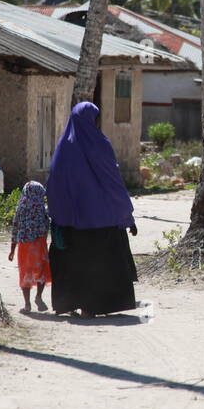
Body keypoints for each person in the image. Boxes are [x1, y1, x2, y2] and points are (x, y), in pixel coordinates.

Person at [45, 102, 138, 317]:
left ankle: (72, 303)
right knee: (101, 264)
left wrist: (59, 214)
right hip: (102, 220)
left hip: (71, 221)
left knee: (75, 262)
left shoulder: (63, 148)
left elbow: (54, 184)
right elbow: (112, 180)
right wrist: (126, 215)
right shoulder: (99, 144)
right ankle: (94, 306)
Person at [8, 180, 51, 313]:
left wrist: (12, 250)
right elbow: (47, 226)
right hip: (39, 244)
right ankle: (38, 296)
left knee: (25, 272)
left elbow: (15, 228)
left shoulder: (21, 207)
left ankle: (27, 304)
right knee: (41, 271)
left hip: (24, 246)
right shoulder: (42, 208)